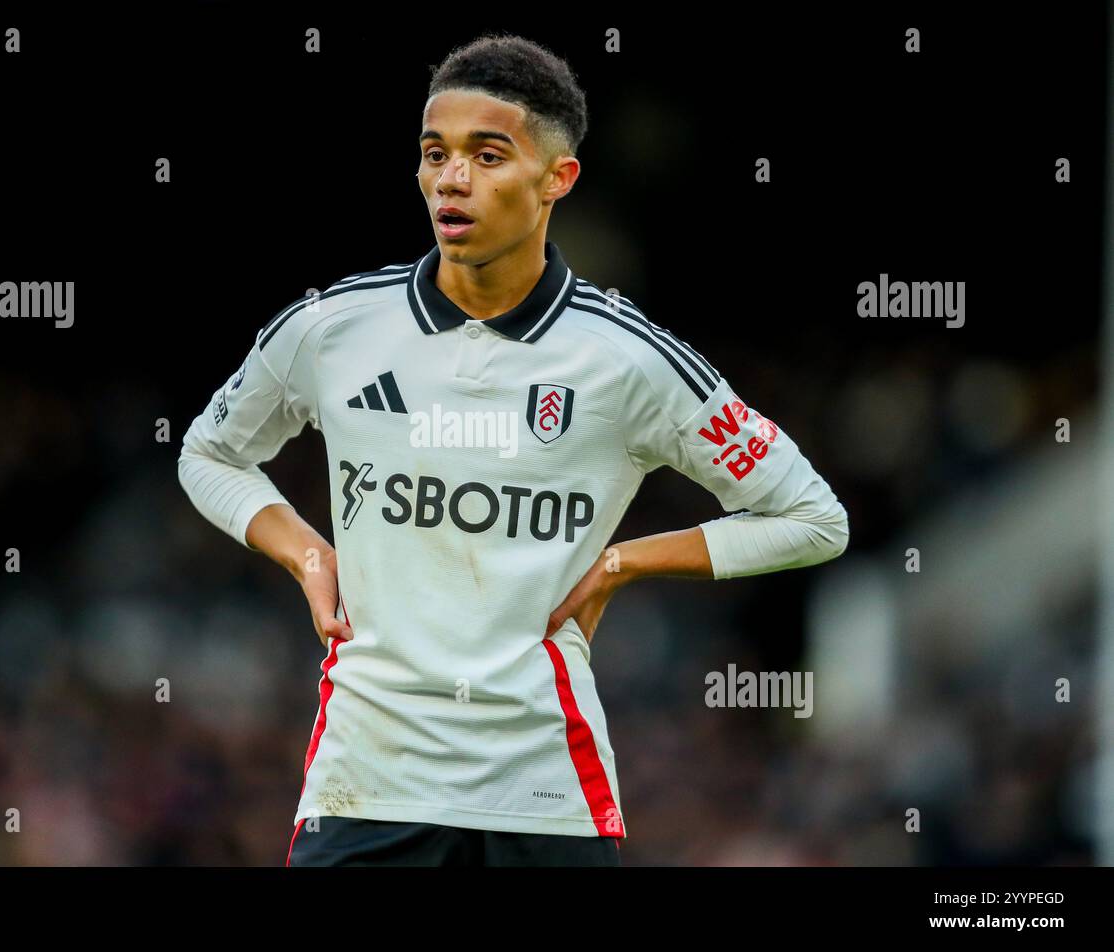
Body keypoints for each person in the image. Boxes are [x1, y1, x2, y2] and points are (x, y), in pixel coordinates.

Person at [178, 34, 848, 866]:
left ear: (557, 179)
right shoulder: (334, 329)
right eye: (435, 154)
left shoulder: (626, 359)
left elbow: (814, 518)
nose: (452, 178)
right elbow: (207, 453)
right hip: (366, 783)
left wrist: (622, 564)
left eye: (487, 155)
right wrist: (308, 554)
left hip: (545, 792)